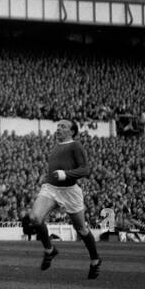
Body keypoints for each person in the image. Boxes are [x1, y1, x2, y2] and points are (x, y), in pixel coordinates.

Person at [21, 119, 103, 279]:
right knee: (35, 218)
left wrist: (66, 174)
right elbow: (55, 169)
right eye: (58, 126)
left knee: (81, 229)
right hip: (51, 189)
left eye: (63, 126)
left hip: (70, 191)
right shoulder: (56, 146)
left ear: (72, 131)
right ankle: (50, 250)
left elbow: (85, 170)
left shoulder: (75, 145)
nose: (58, 128)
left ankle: (95, 260)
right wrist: (45, 176)